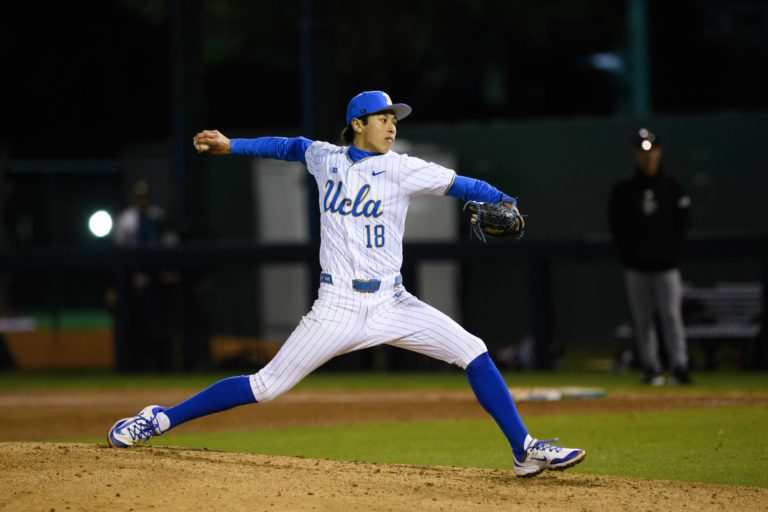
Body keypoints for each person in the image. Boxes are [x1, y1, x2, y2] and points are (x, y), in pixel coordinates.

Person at [107, 90, 585, 478]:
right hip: (336, 305)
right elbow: (291, 145)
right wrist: (233, 145)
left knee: (473, 350)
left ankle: (525, 450)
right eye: (382, 118)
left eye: (395, 118)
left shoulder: (402, 167)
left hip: (393, 301)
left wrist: (506, 199)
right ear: (357, 124)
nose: (392, 125)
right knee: (265, 386)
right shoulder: (325, 158)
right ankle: (161, 417)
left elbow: (463, 185)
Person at [608, 128, 692, 385]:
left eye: (652, 151)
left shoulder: (672, 187)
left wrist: (672, 251)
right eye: (642, 152)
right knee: (643, 320)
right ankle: (652, 368)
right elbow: (616, 226)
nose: (648, 157)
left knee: (671, 316)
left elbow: (682, 224)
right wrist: (628, 256)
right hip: (636, 266)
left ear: (659, 152)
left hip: (667, 265)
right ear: (636, 154)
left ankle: (679, 366)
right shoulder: (624, 190)